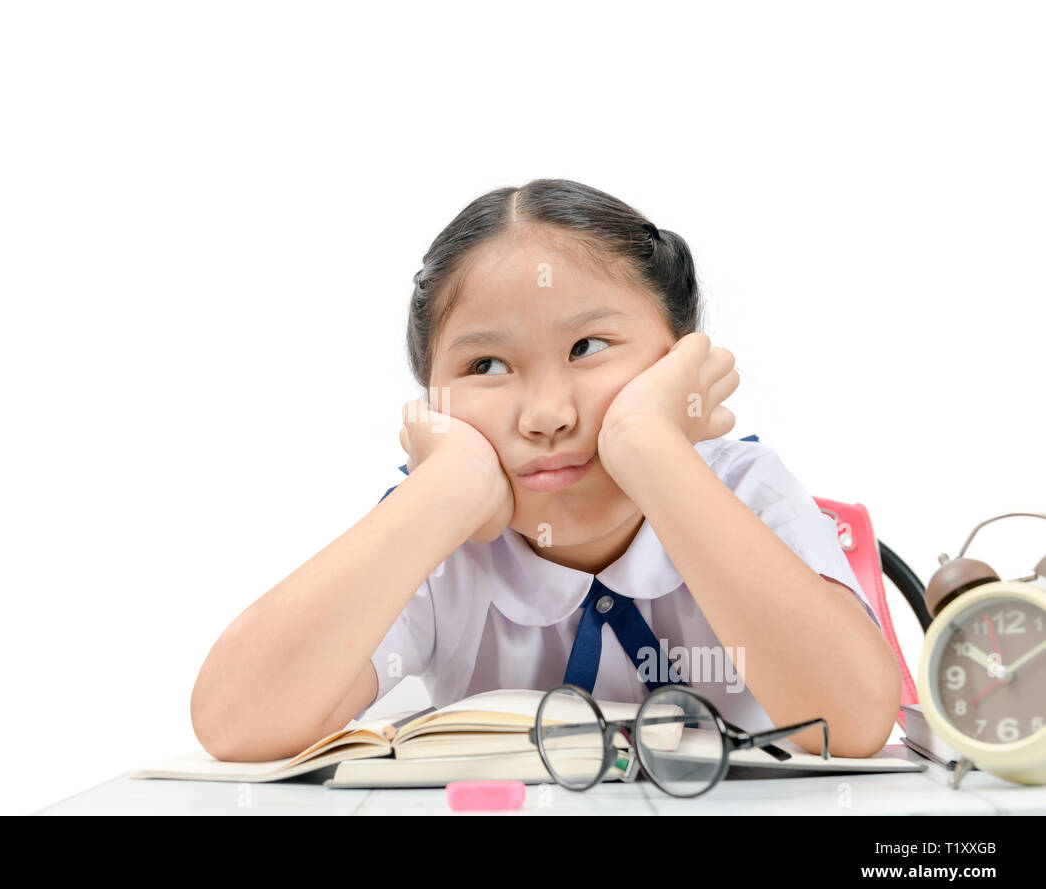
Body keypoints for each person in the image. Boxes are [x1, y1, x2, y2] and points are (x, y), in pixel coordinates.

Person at [190, 178, 902, 763]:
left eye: (589, 345)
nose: (546, 413)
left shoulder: (742, 486)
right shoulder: (437, 534)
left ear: (682, 358)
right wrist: (448, 486)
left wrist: (649, 446)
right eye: (486, 366)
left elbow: (851, 723)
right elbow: (238, 726)